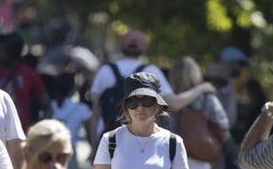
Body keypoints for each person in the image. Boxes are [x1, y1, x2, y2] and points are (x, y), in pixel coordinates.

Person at [87, 29, 215, 150]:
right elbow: (174, 104)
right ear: (143, 48)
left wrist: (94, 147)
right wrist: (201, 88)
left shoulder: (104, 71)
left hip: (109, 142)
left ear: (122, 46)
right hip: (142, 143)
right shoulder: (151, 71)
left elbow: (95, 114)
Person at [0, 32, 51, 132]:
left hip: (21, 133)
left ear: (12, 51)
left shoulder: (27, 73)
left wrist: (39, 129)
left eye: (1, 49)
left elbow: (46, 103)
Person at [50, 72, 93, 169]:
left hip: (51, 150)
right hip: (69, 149)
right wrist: (93, 149)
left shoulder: (52, 105)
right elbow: (89, 133)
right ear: (73, 88)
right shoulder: (82, 108)